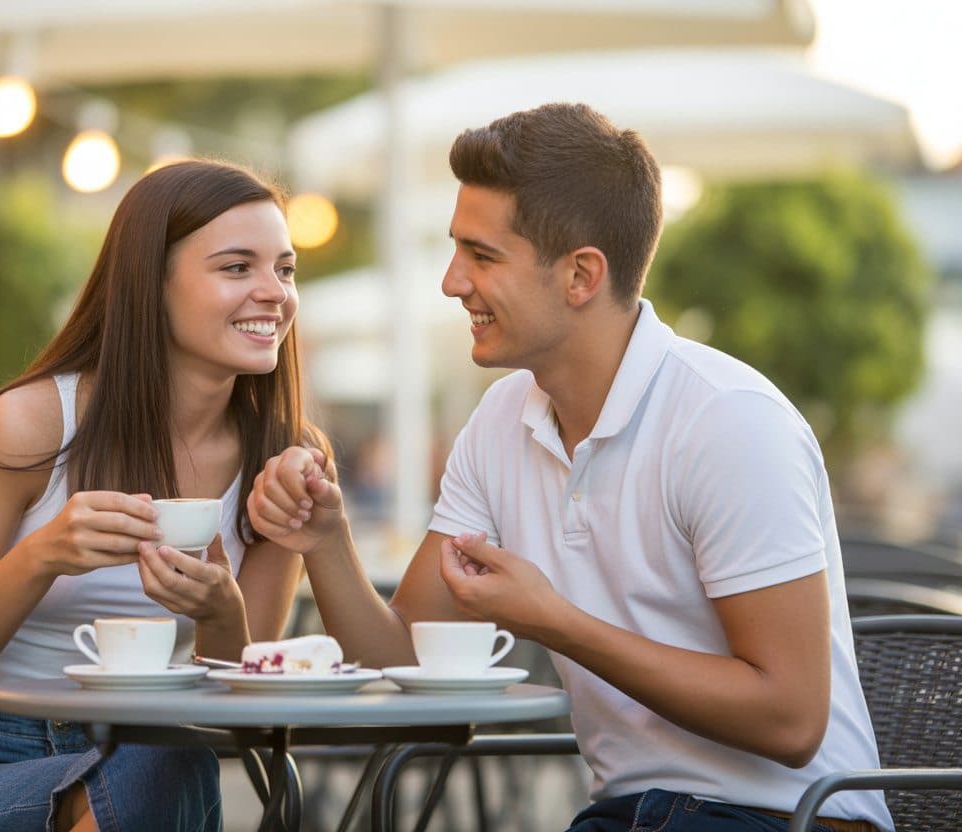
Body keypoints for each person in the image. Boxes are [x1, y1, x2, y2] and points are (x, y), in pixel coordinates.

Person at [248, 103, 893, 832]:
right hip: (625, 815)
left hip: (789, 819)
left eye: (482, 256)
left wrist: (558, 623)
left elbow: (790, 720)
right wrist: (328, 541)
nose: (452, 282)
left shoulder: (728, 420)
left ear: (581, 275)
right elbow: (401, 656)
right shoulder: (499, 423)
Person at [0, 159, 328, 832]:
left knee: (165, 757)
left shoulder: (287, 458)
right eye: (236, 268)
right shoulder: (32, 425)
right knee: (159, 766)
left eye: (284, 269)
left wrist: (222, 612)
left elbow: (241, 706)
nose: (274, 294)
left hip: (145, 759)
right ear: (149, 286)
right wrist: (42, 556)